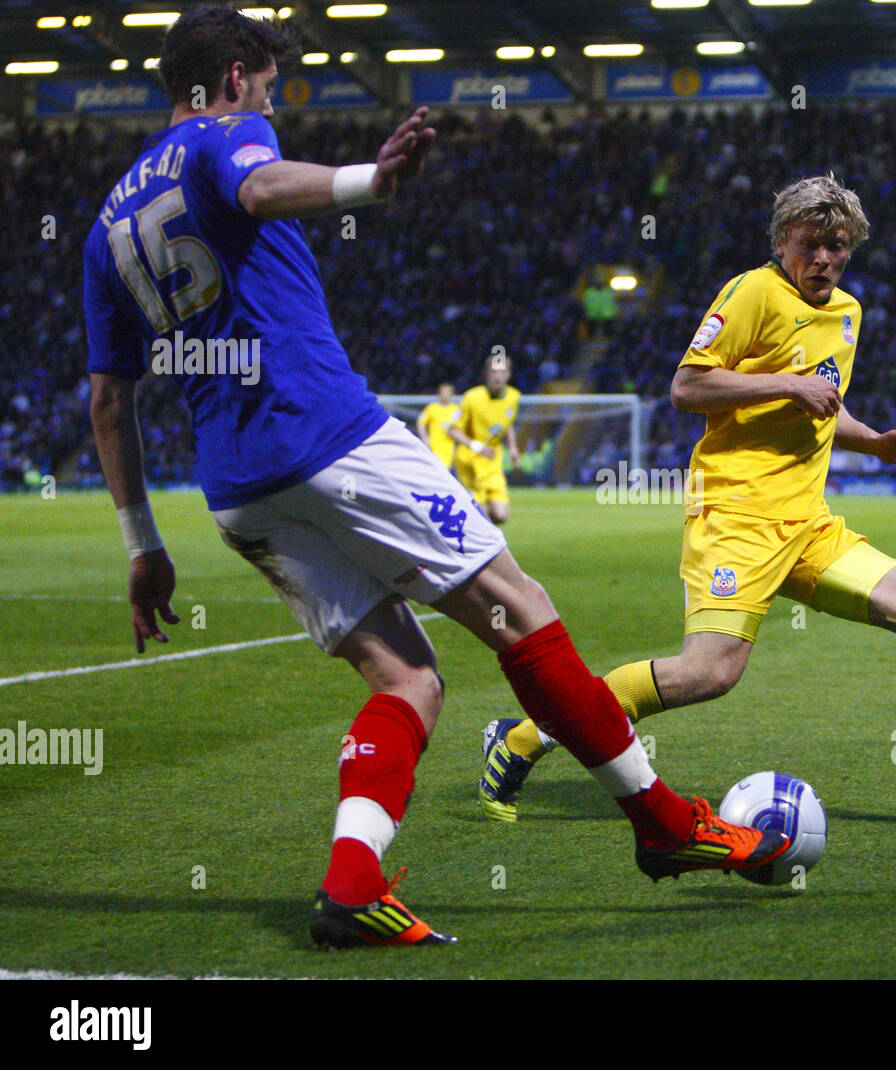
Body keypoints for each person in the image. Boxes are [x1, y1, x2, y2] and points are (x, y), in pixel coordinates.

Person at [84, 6, 788, 950]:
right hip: (331, 440)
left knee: (407, 680)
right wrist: (370, 180)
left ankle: (350, 884)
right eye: (269, 85)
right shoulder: (227, 134)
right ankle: (663, 824)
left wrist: (143, 546)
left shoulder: (104, 226)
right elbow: (254, 191)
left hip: (237, 491)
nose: (271, 103)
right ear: (234, 77)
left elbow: (107, 402)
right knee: (522, 614)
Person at [479, 174, 896, 821]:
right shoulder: (752, 293)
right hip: (736, 517)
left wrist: (876, 443)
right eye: (812, 243)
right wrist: (786, 386)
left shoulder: (846, 313)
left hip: (809, 523)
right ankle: (520, 738)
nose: (825, 258)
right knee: (709, 674)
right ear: (783, 240)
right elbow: (688, 387)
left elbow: (823, 404)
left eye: (839, 246)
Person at [448, 353, 520, 525]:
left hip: (493, 459)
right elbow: (452, 430)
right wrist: (477, 446)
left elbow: (507, 422)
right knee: (482, 517)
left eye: (502, 372)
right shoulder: (472, 398)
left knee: (501, 515)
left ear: (509, 375)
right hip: (470, 460)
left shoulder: (514, 397)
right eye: (493, 372)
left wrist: (512, 447)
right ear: (486, 375)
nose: (498, 376)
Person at [415, 382, 459, 469]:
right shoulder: (432, 408)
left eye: (447, 392)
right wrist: (425, 438)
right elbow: (421, 422)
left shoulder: (456, 410)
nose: (445, 394)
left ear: (451, 394)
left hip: (449, 448)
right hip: (434, 447)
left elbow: (460, 428)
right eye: (443, 392)